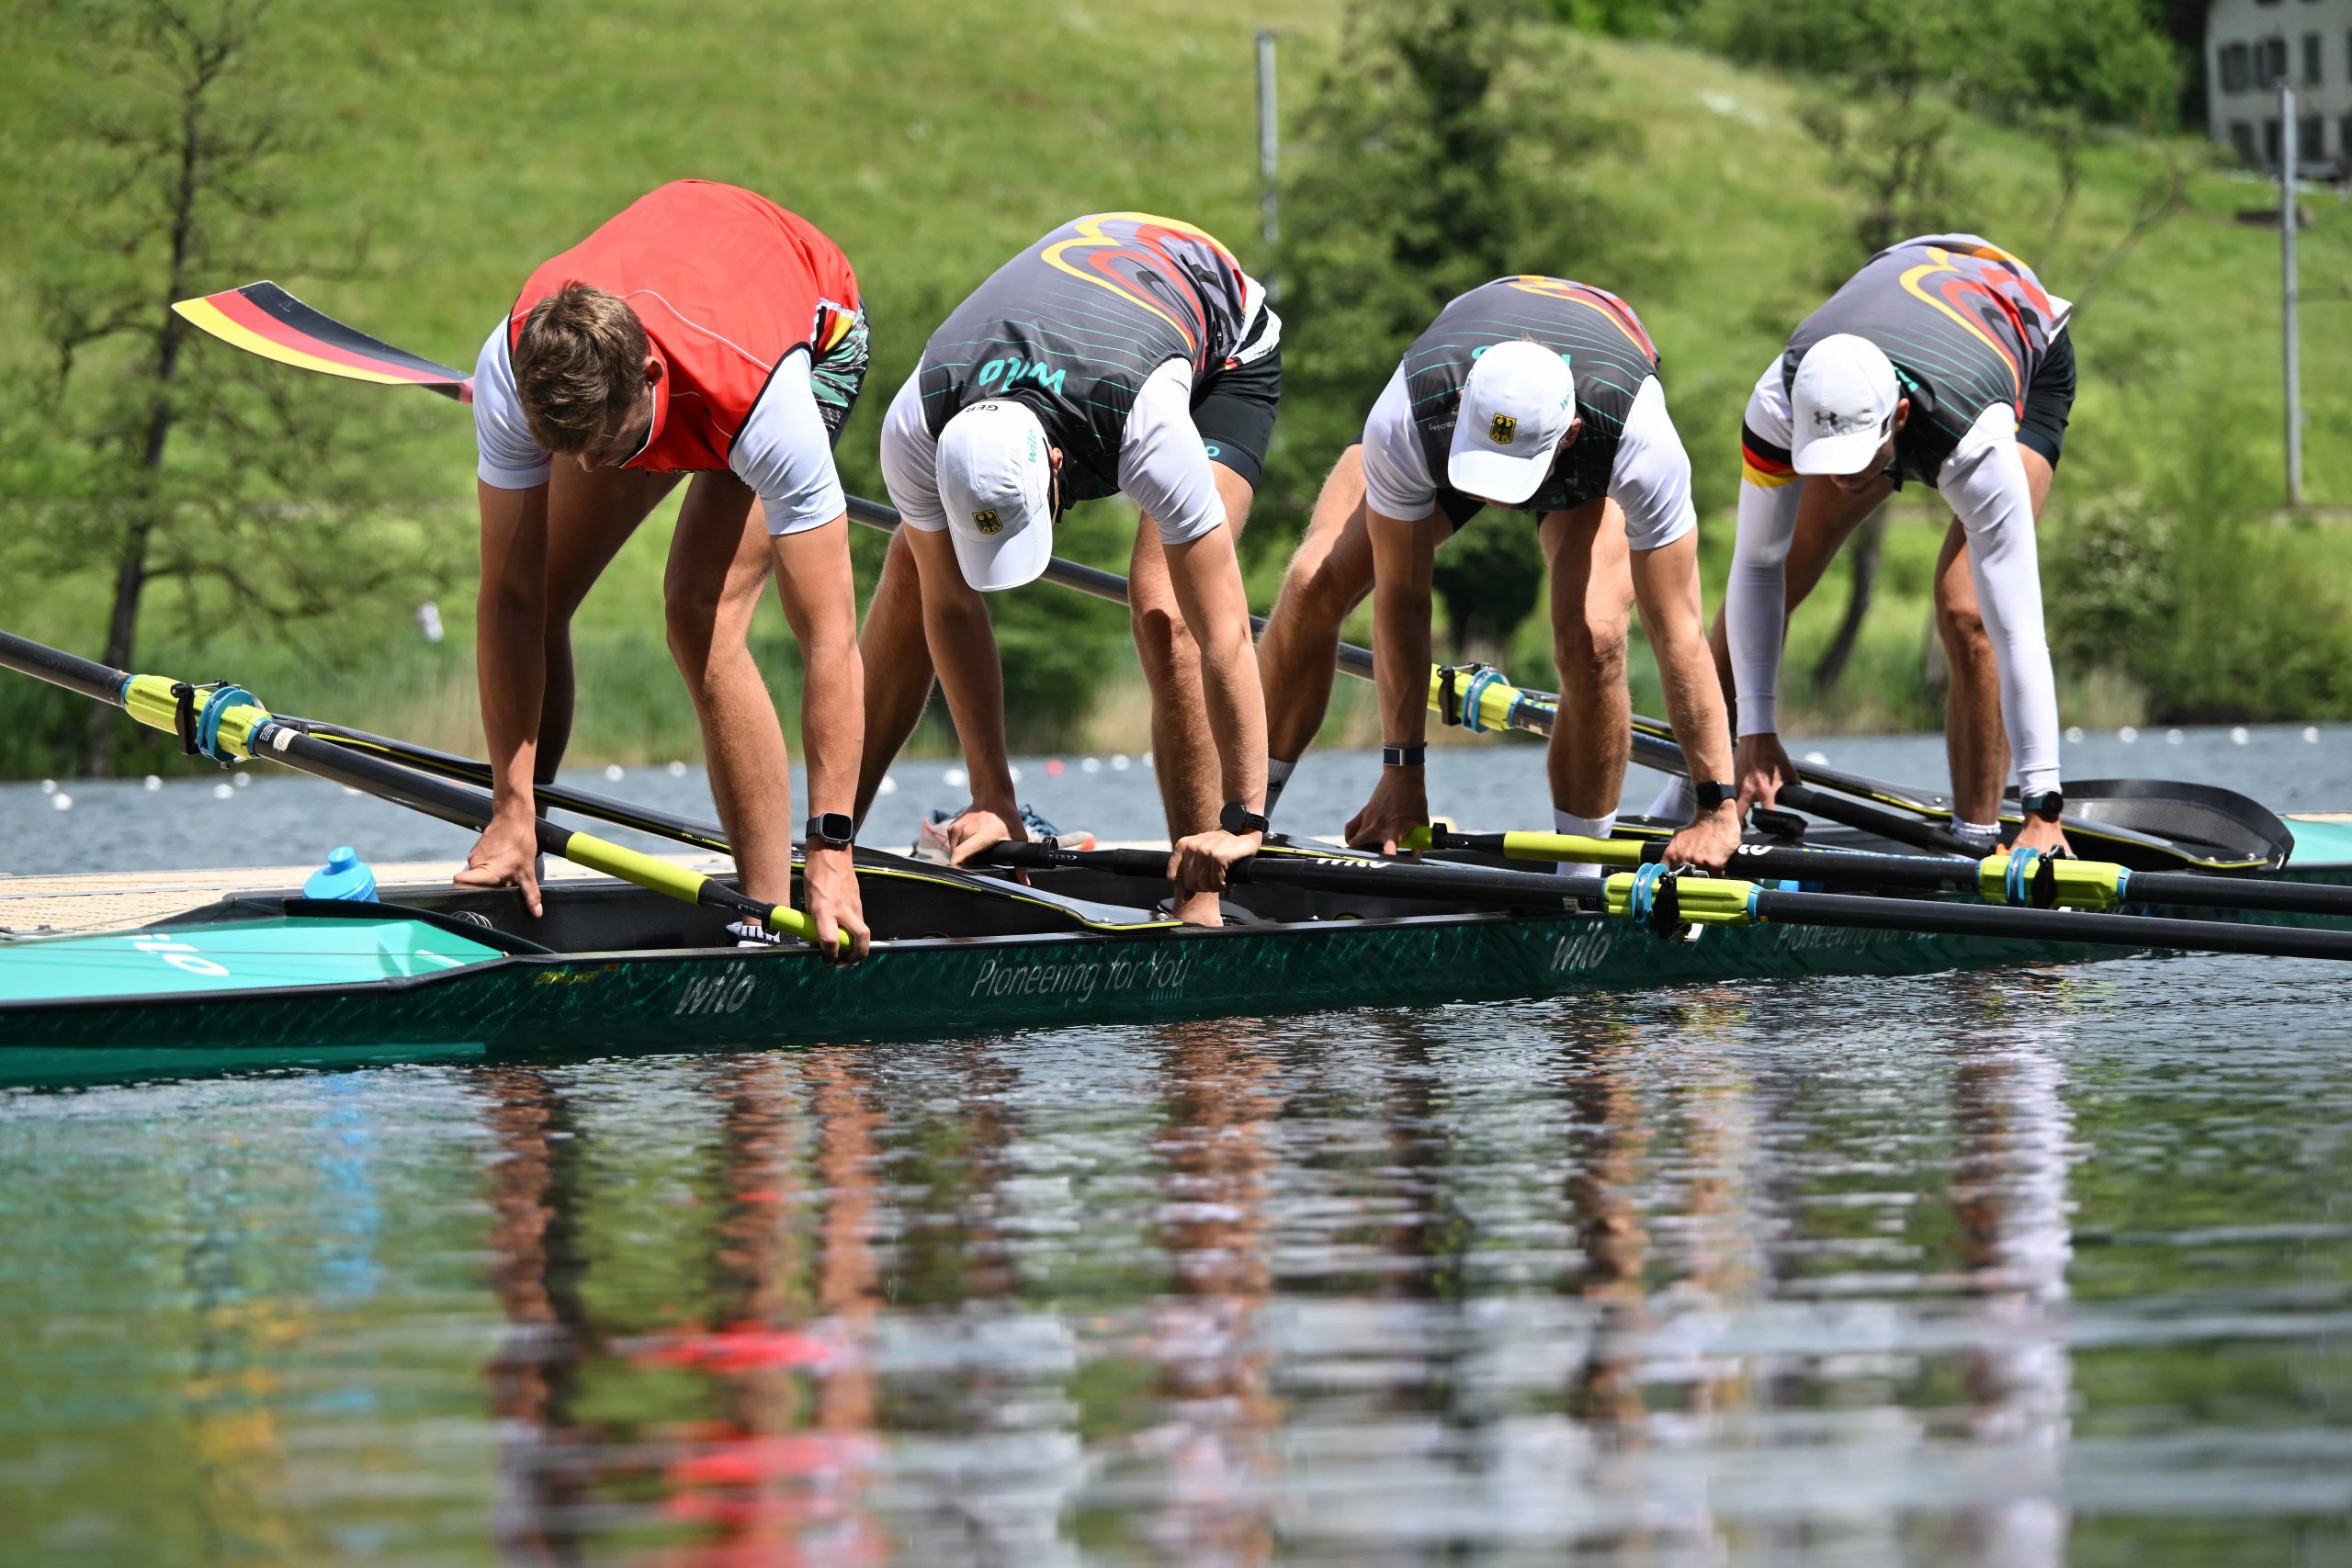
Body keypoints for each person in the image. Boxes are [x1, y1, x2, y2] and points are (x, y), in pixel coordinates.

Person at [458, 179, 874, 958]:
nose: (586, 468)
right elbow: (508, 599)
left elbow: (831, 638)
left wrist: (833, 848)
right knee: (542, 594)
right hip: (677, 279)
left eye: (603, 448)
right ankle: (521, 850)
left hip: (807, 329)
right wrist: (509, 803)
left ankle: (768, 912)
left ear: (650, 377)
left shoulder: (766, 408)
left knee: (698, 613)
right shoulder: (513, 376)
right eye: (568, 450)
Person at [860, 212, 1279, 924]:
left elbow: (1227, 636)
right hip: (1088, 294)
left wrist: (1244, 821)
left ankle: (1201, 898)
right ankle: (827, 845)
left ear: (1058, 465)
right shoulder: (913, 429)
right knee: (916, 562)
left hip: (1220, 340)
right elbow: (954, 606)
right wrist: (992, 795)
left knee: (1166, 610)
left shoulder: (1148, 430)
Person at [1259, 276, 1742, 873]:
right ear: (1463, 408)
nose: (1500, 506)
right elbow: (1404, 598)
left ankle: (1579, 874)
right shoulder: (1409, 414)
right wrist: (1401, 773)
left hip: (1587, 443)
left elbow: (1680, 633)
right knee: (1315, 581)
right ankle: (1245, 818)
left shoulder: (1639, 443)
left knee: (1592, 634)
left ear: (1568, 436)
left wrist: (1718, 805)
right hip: (1446, 427)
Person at [1674, 233, 2075, 854]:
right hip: (1898, 305)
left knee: (1967, 610)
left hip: (2018, 346)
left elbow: (2018, 625)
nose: (1838, 478)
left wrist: (2045, 807)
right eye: (1826, 461)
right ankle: (1694, 799)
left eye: (1854, 463)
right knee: (1786, 571)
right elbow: (1757, 569)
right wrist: (1755, 729)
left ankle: (1979, 838)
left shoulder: (1976, 440)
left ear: (1901, 422)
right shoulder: (1777, 403)